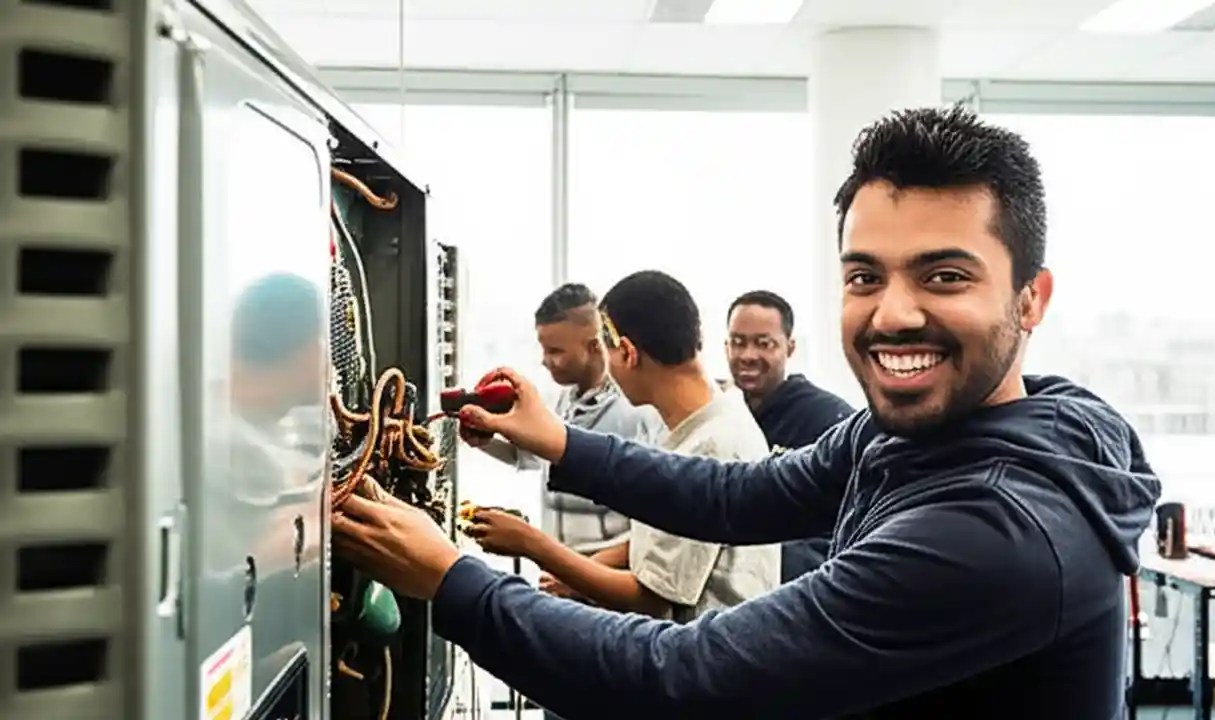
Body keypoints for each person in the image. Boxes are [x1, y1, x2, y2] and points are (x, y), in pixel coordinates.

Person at [332, 105, 1162, 719]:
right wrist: (563, 445)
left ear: (1031, 298)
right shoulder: (952, 424)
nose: (893, 314)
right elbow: (740, 496)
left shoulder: (995, 534)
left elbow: (684, 678)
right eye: (865, 276)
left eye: (945, 276)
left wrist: (452, 580)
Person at [464, 270, 780, 622]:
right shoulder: (684, 428)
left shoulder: (714, 445)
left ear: (628, 352)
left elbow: (653, 600)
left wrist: (532, 545)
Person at [471, 282, 662, 557]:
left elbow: (653, 530)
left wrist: (587, 572)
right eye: (544, 350)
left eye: (555, 351)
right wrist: (484, 439)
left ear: (595, 346)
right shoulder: (562, 402)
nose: (545, 361)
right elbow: (531, 456)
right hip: (561, 575)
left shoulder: (637, 412)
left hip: (605, 584)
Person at [725, 289, 854, 580]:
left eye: (763, 344)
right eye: (738, 342)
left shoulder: (829, 420)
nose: (748, 355)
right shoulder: (726, 416)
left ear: (789, 348)